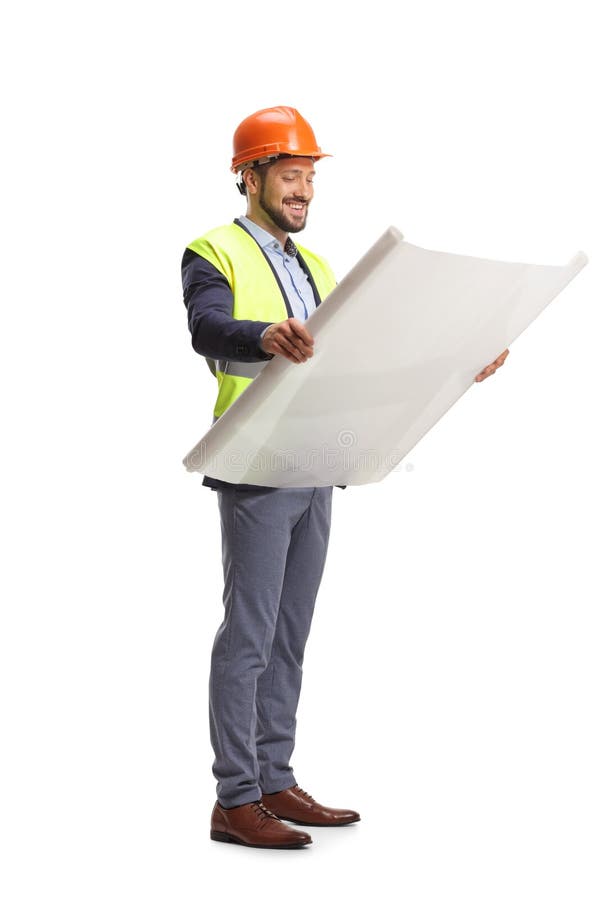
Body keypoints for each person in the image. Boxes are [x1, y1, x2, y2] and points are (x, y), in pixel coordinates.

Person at [181, 106, 509, 850]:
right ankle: (234, 800)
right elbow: (207, 326)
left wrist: (463, 364)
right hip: (256, 466)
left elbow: (366, 356)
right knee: (251, 634)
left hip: (316, 461)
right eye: (289, 175)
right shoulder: (213, 251)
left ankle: (273, 778)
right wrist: (260, 335)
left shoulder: (319, 268)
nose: (303, 190)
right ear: (250, 176)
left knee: (290, 634)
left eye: (309, 178)